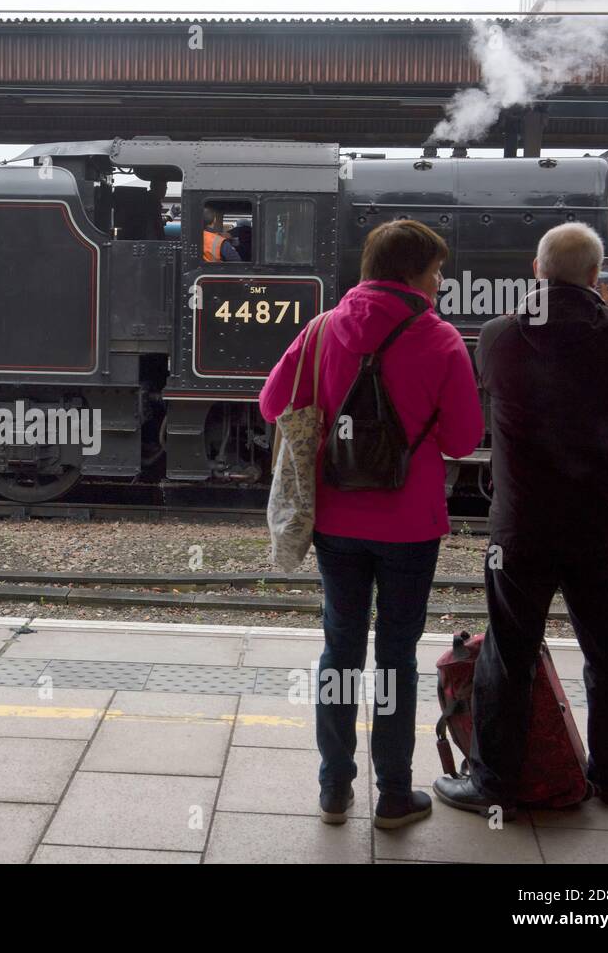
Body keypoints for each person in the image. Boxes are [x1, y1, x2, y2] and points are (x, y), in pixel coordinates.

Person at [434, 223, 608, 816]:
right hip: (598, 522)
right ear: (597, 275)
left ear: (536, 271)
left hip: (521, 526)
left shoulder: (499, 336)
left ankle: (495, 785)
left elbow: (508, 360)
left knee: (508, 654)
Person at [260, 220, 484, 829]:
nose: (440, 282)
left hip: (336, 520)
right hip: (410, 525)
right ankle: (393, 796)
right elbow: (464, 440)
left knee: (340, 649)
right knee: (395, 657)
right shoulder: (441, 339)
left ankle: (334, 789)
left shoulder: (321, 329)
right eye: (436, 271)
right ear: (412, 273)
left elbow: (272, 404)